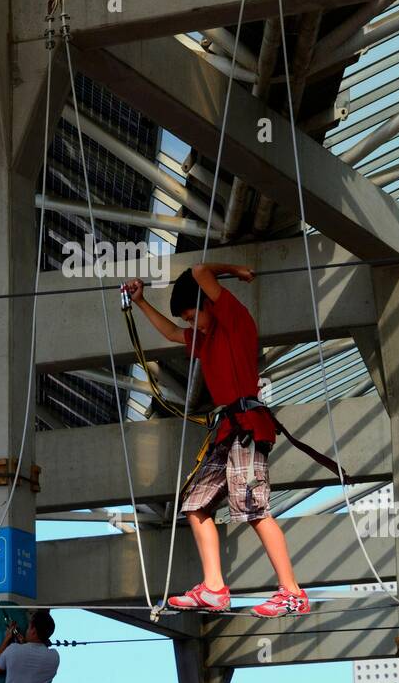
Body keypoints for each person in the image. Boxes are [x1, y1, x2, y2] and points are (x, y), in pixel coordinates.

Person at [124, 263, 309, 616]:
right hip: (227, 429)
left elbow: (197, 271)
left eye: (193, 316)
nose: (191, 325)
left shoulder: (233, 321)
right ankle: (213, 589)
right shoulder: (204, 338)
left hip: (247, 426)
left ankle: (292, 592)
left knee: (254, 507)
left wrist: (235, 270)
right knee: (195, 505)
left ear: (208, 305)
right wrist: (141, 302)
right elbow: (169, 333)